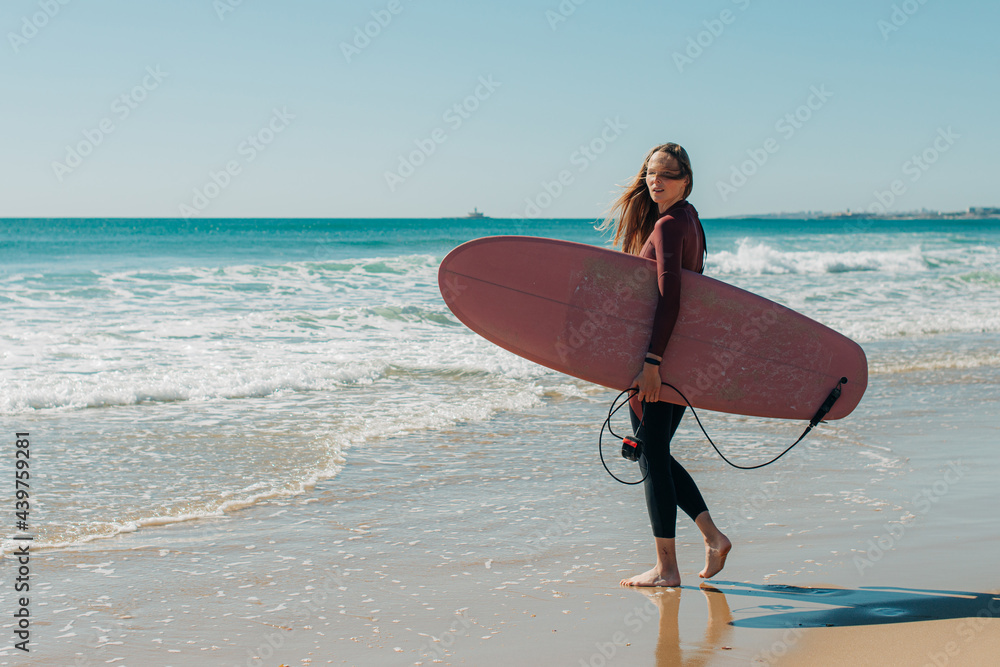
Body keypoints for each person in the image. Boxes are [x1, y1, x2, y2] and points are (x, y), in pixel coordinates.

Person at [599, 143, 731, 587]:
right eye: (652, 173)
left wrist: (652, 362)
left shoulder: (672, 224)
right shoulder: (689, 218)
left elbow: (671, 296)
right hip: (680, 355)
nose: (658, 181)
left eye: (669, 175)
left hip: (663, 357)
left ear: (686, 180)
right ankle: (712, 539)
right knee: (650, 450)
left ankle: (667, 568)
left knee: (650, 453)